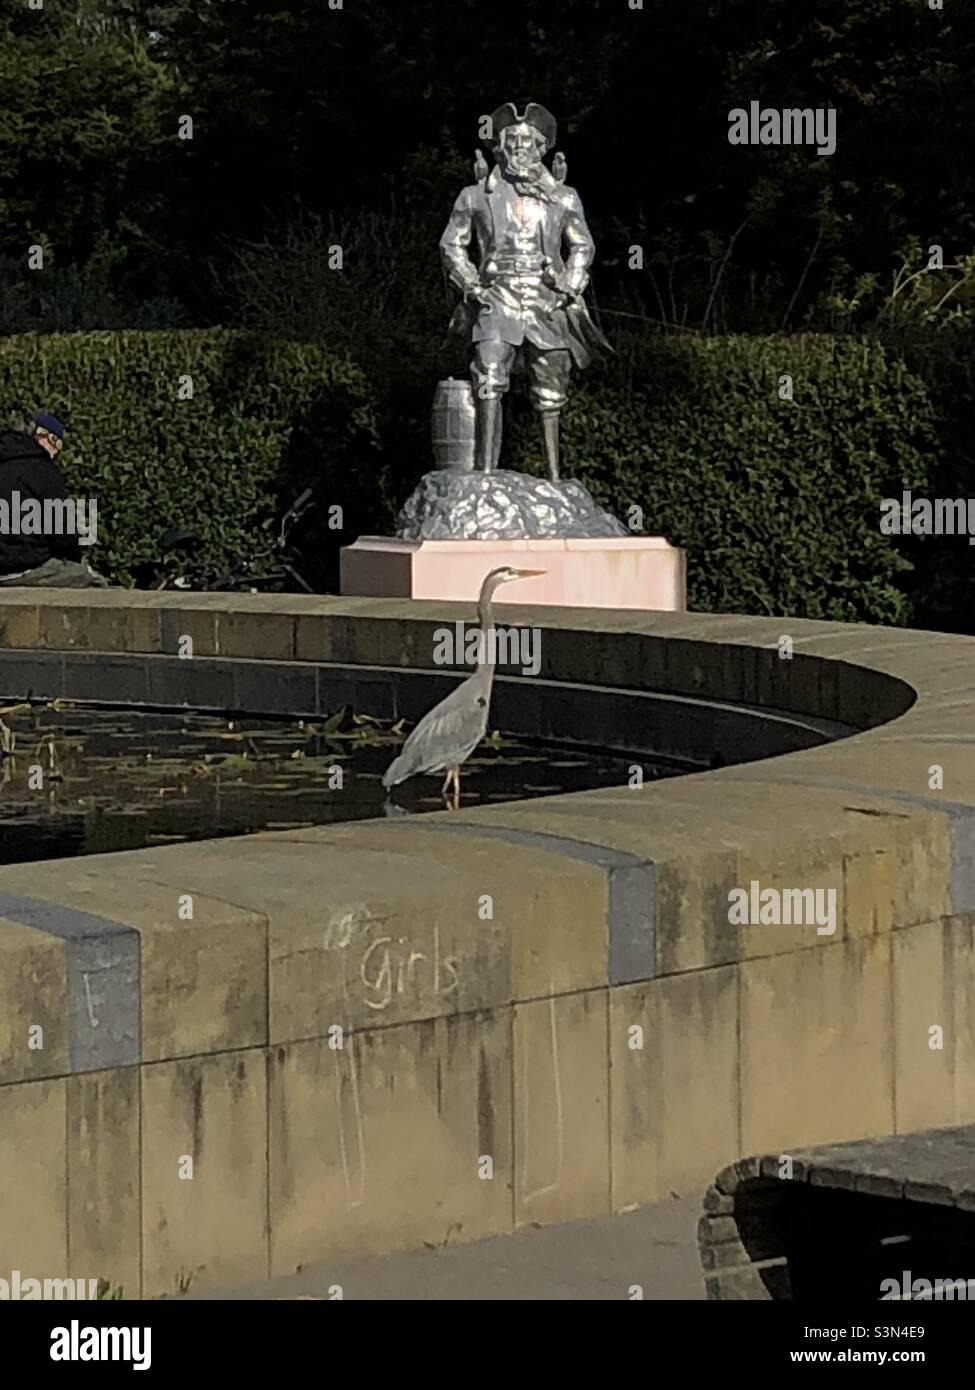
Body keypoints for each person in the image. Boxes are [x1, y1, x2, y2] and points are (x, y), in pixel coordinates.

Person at [439, 102, 611, 481]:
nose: (519, 147)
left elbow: (582, 245)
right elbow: (452, 244)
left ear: (541, 147)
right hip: (496, 296)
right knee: (487, 372)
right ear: (500, 147)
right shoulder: (475, 195)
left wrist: (571, 282)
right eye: (512, 140)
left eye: (527, 141)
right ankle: (483, 475)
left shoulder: (564, 197)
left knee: (552, 385)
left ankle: (554, 478)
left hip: (545, 299)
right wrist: (470, 284)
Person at [0, 412, 108, 587]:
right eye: (55, 442)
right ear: (43, 436)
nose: (56, 451)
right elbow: (62, 531)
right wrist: (74, 557)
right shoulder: (43, 471)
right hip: (28, 566)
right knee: (94, 583)